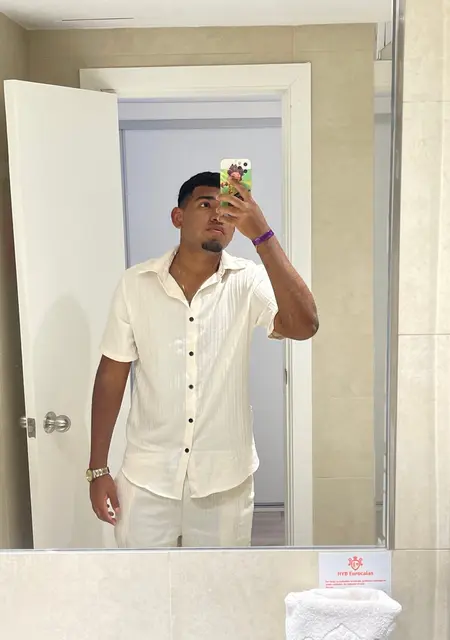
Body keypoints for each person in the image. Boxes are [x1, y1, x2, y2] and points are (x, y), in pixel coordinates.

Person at [87, 171, 318, 548]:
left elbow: (305, 325)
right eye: (205, 204)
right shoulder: (135, 284)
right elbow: (112, 375)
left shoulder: (248, 280)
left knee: (220, 582)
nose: (217, 215)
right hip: (147, 477)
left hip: (225, 482)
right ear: (178, 216)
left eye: (228, 208)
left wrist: (262, 235)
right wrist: (98, 469)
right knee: (141, 580)